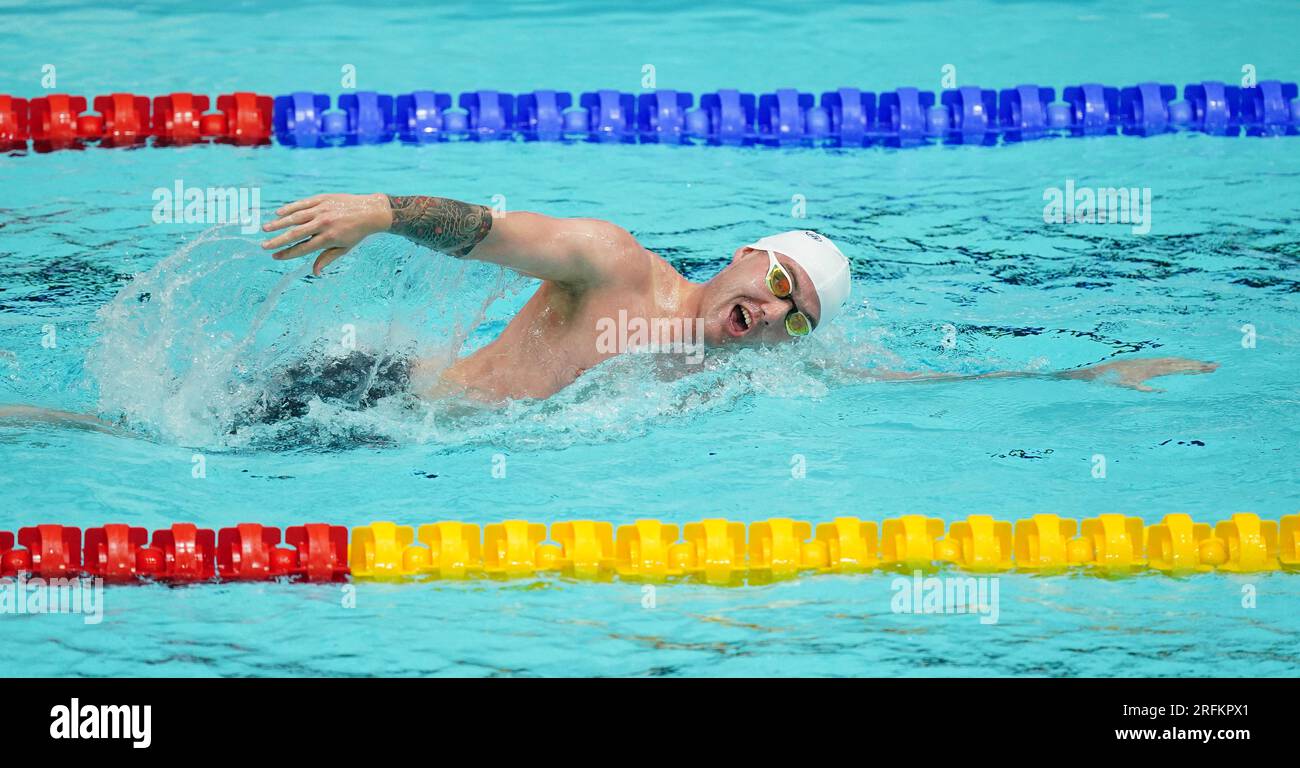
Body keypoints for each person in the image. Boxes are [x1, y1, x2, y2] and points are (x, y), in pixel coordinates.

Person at [0, 192, 1218, 430]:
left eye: (794, 315)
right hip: (371, 402)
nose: (770, 313)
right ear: (742, 258)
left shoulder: (743, 374)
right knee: (136, 436)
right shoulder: (615, 267)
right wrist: (377, 209)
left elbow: (902, 392)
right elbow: (493, 233)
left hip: (405, 447)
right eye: (772, 283)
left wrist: (1077, 382)